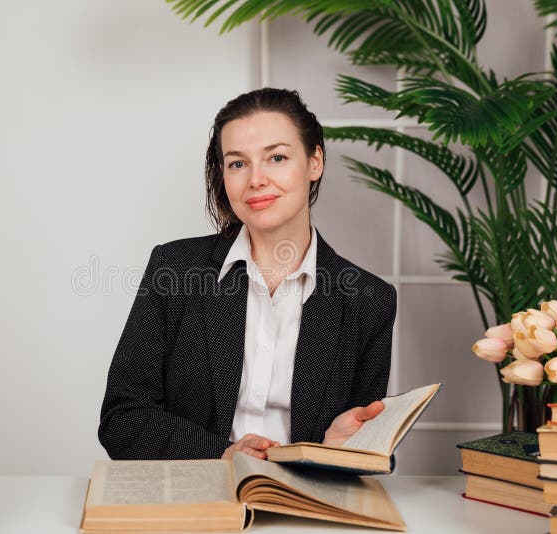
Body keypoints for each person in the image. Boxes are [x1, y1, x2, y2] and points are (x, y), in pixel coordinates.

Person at [98, 88, 397, 461]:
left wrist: (339, 447)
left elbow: (368, 450)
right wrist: (221, 454)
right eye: (237, 163)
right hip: (198, 499)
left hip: (304, 505)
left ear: (315, 161)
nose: (256, 179)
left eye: (277, 157)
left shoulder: (369, 300)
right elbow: (122, 419)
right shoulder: (174, 269)